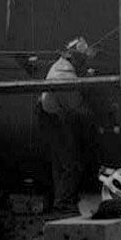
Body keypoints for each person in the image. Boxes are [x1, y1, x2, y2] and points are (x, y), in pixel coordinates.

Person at [39, 36, 98, 212]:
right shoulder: (64, 74)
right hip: (54, 119)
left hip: (51, 116)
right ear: (75, 57)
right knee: (72, 163)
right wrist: (93, 116)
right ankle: (64, 202)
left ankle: (61, 199)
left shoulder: (62, 66)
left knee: (60, 163)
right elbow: (76, 106)